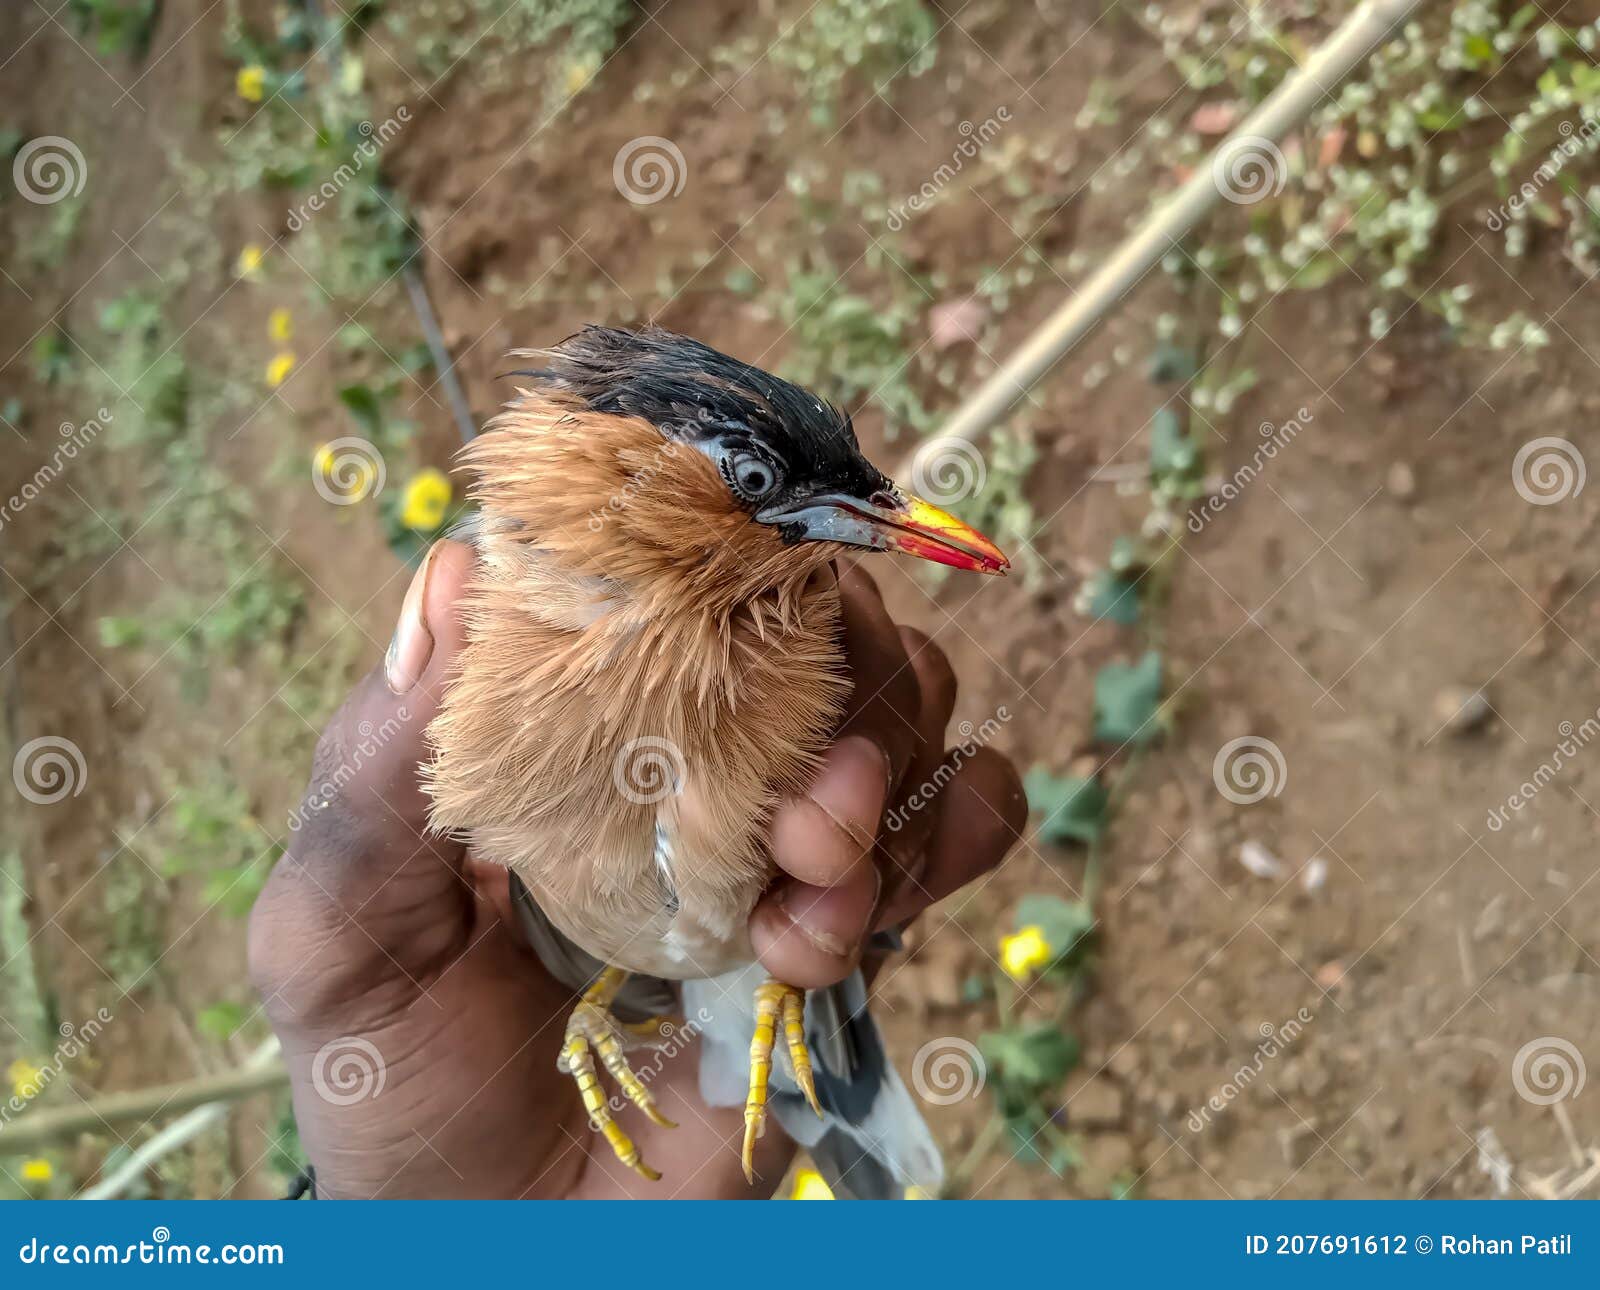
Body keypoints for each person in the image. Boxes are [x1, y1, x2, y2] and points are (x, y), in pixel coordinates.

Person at [249, 540, 1025, 1198]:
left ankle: (797, 1011)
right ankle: (788, 1022)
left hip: (732, 953)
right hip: (653, 972)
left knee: (802, 845)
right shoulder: (524, 672)